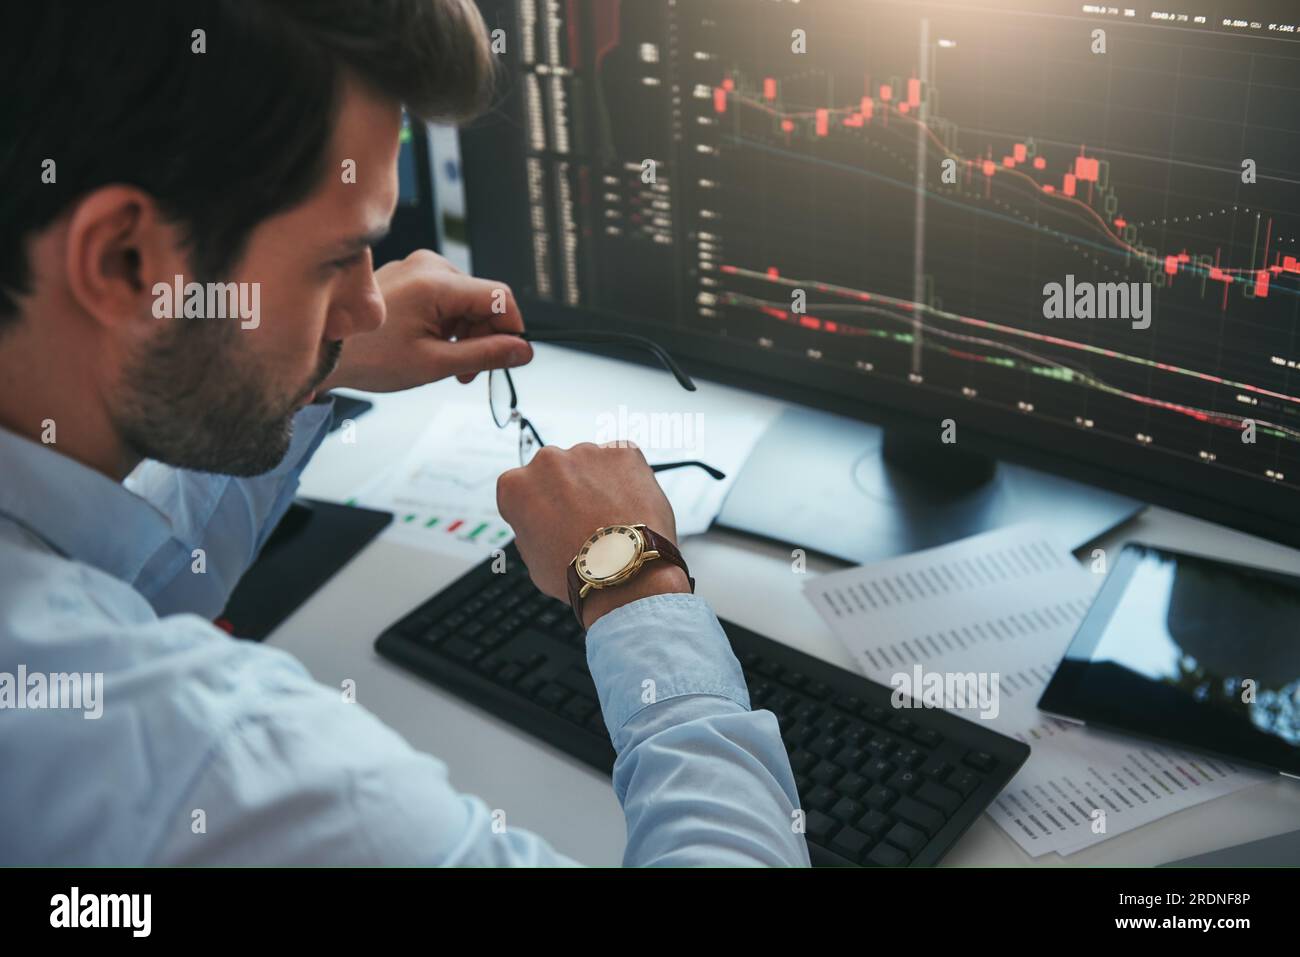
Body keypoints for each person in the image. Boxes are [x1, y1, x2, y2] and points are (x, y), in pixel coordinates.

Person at [0, 0, 809, 866]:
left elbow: (125, 590)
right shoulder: (220, 769)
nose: (367, 304)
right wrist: (629, 569)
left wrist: (315, 355)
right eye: (332, 259)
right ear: (125, 262)